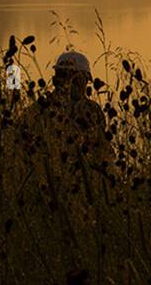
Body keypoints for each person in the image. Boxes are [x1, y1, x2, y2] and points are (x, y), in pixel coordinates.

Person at [11, 51, 112, 204]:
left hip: (50, 186)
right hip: (59, 188)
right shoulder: (91, 110)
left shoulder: (38, 109)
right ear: (81, 80)